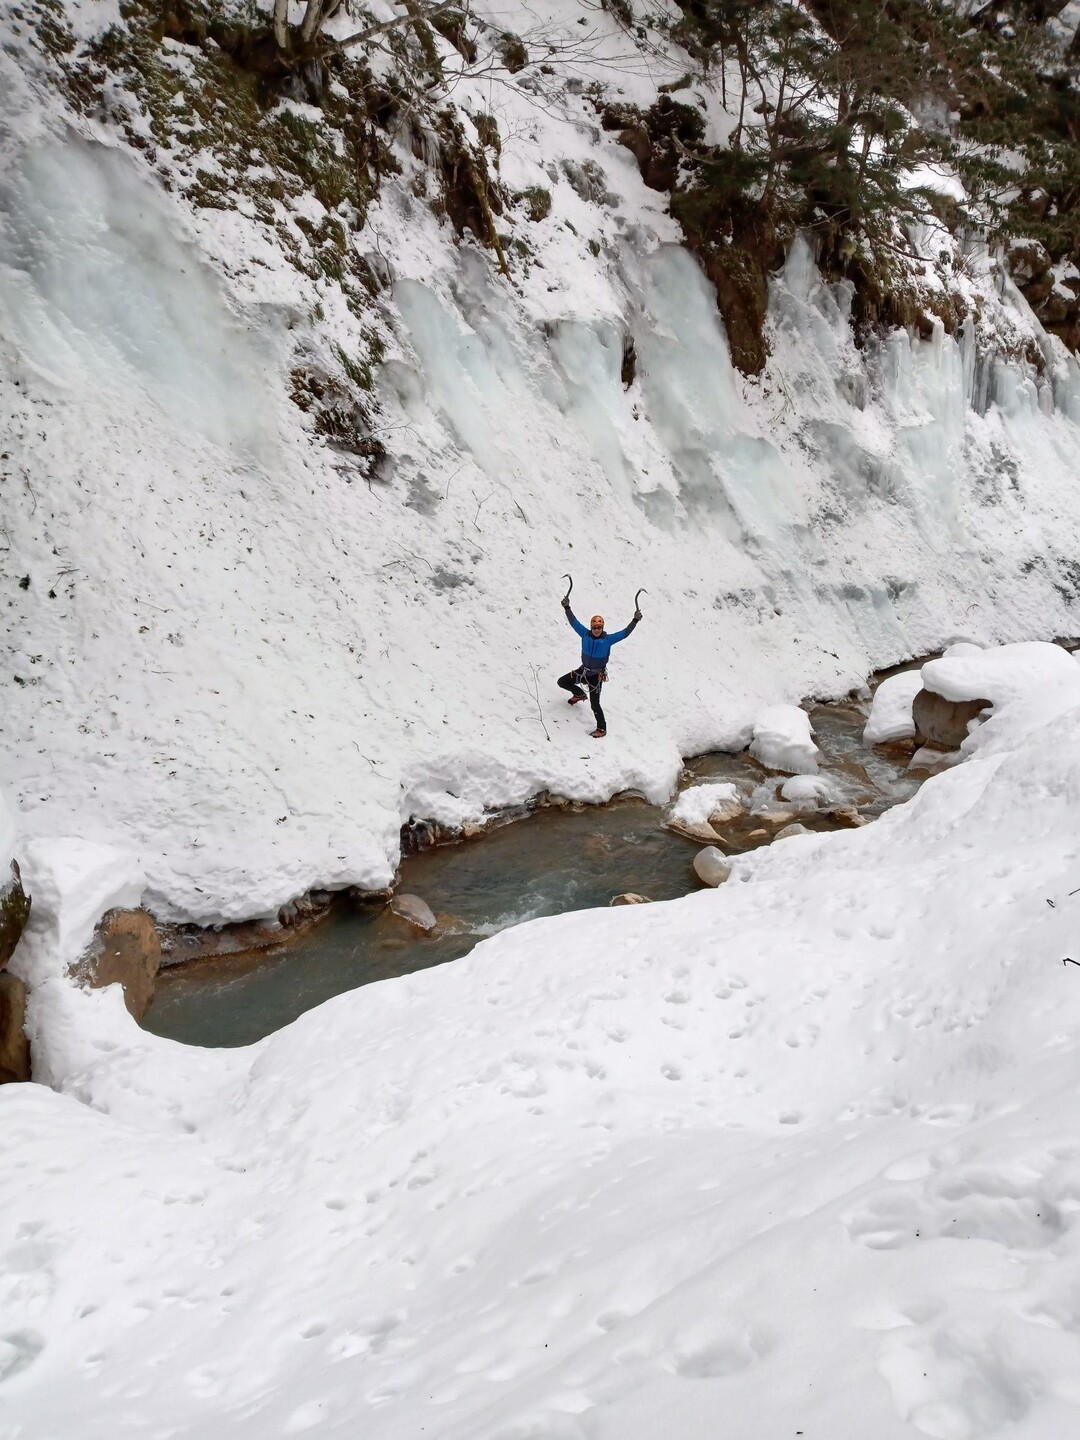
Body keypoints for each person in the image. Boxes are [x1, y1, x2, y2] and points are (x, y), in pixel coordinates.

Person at [558, 597, 642, 738]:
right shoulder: (584, 634)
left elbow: (624, 633)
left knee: (595, 704)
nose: (596, 630)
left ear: (602, 628)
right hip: (583, 671)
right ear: (591, 627)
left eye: (599, 628)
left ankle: (602, 729)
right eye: (594, 628)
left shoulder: (608, 640)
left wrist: (635, 620)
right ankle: (579, 694)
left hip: (596, 677)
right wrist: (567, 608)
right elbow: (574, 622)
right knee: (562, 682)